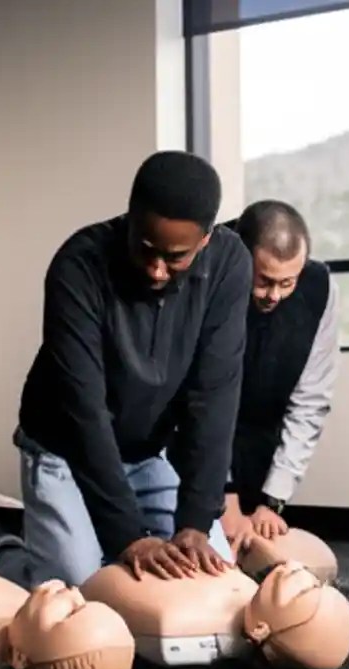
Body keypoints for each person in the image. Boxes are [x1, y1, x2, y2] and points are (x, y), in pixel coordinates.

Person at [15, 150, 251, 586]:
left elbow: (214, 396)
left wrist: (196, 522)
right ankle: (5, 553)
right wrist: (129, 536)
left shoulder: (229, 264)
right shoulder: (77, 265)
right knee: (80, 586)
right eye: (146, 249)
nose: (157, 270)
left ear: (205, 240)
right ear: (131, 217)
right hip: (63, 447)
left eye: (176, 257)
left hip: (144, 454)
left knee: (213, 576)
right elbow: (83, 411)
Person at [218, 200, 339, 552]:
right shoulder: (210, 271)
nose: (274, 295)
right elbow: (199, 398)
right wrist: (222, 494)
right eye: (264, 281)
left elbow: (310, 402)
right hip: (192, 445)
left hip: (260, 442)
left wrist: (272, 501)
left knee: (257, 553)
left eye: (287, 283)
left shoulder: (319, 287)